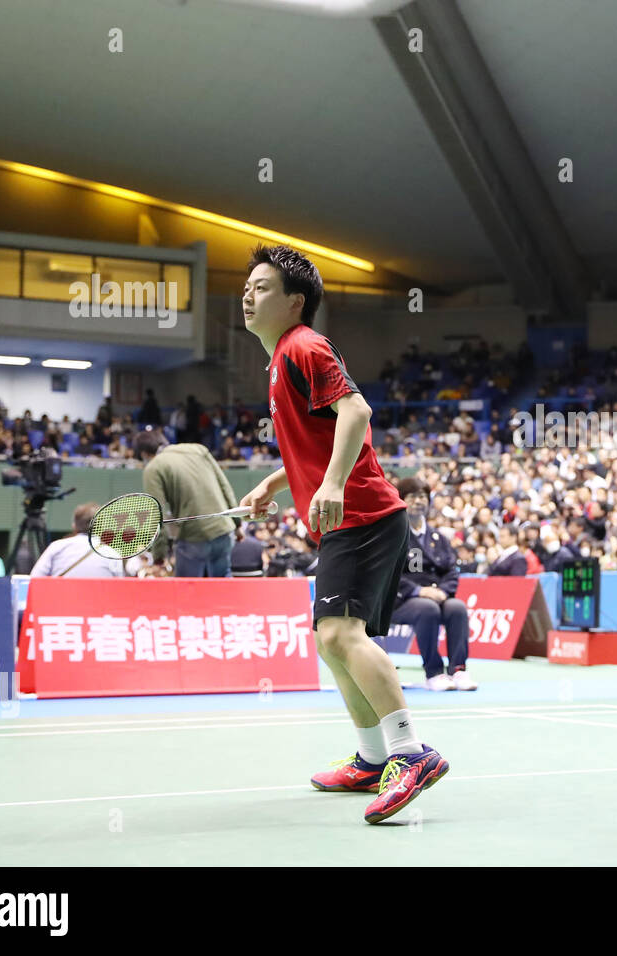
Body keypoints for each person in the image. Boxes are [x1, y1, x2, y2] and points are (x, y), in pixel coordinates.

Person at [238, 245, 446, 825]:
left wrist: (330, 484)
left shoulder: (304, 345)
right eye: (246, 287)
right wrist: (276, 484)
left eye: (261, 286)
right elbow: (318, 436)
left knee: (340, 633)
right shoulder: (280, 358)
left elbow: (356, 413)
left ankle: (410, 754)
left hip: (363, 516)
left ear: (294, 300)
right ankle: (371, 758)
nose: (248, 295)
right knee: (331, 640)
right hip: (347, 520)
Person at [390, 476, 475, 692]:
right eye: (412, 496)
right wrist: (420, 591)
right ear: (401, 500)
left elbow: (451, 572)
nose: (418, 501)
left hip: (436, 597)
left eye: (422, 497)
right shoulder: (393, 534)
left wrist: (444, 592)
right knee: (426, 609)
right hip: (401, 601)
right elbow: (389, 574)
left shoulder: (438, 537)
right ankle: (433, 673)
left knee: (457, 608)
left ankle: (458, 670)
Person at [134, 430, 237, 577]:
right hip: (223, 531)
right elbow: (225, 488)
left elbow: (156, 515)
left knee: (186, 593)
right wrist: (238, 524)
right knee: (223, 588)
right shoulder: (199, 449)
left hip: (192, 536)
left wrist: (159, 556)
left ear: (144, 454)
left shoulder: (153, 467)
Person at [30, 503, 126, 577]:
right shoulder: (112, 554)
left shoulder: (56, 547)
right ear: (100, 528)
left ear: (74, 525)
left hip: (59, 602)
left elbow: (35, 578)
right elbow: (117, 589)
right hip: (98, 602)